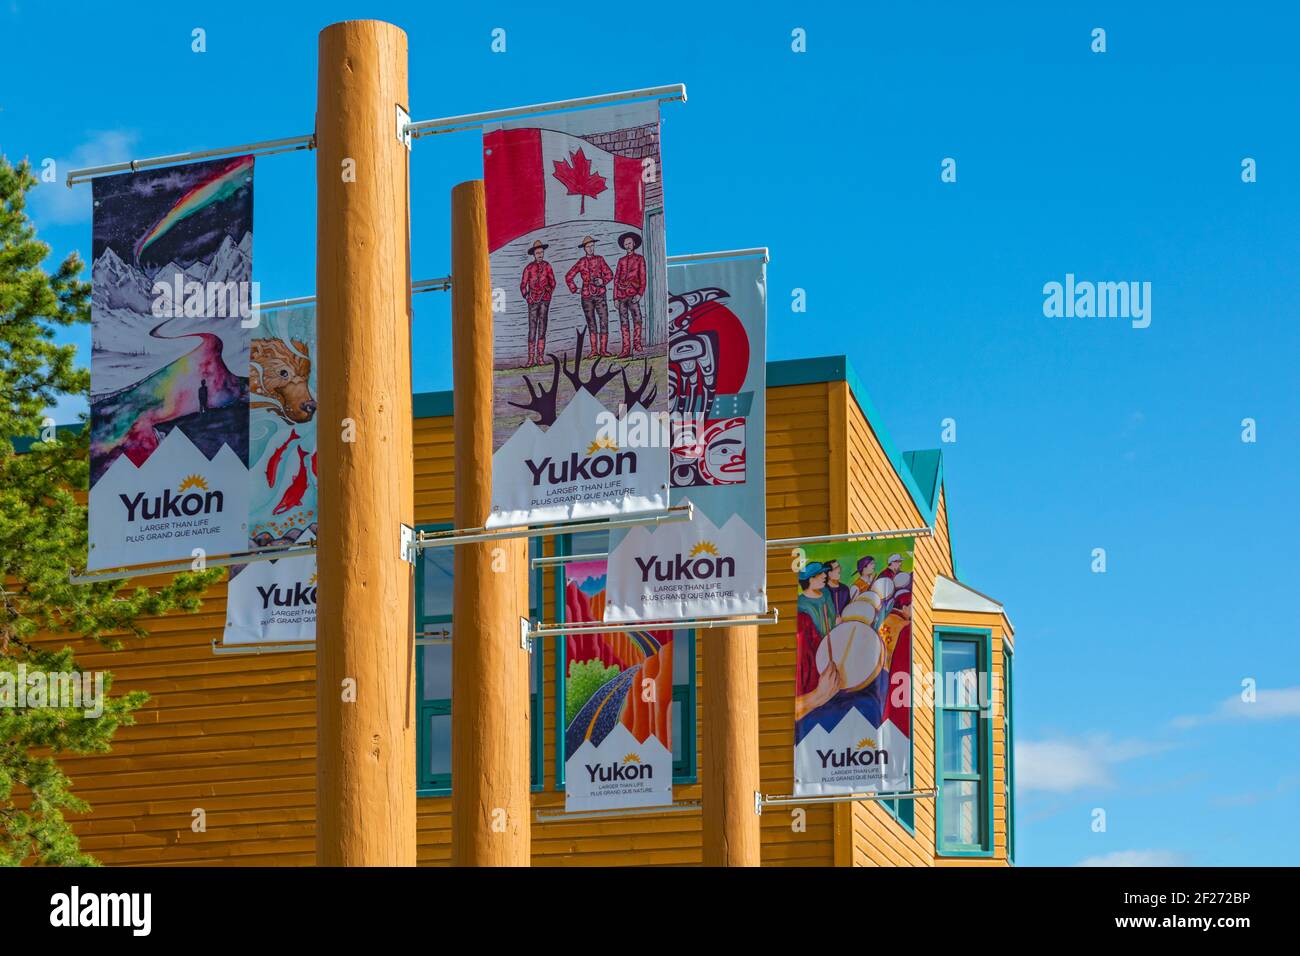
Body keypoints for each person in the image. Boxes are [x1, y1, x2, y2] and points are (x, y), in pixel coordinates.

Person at [794, 562, 841, 719]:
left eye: (824, 573)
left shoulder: (826, 594)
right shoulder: (802, 605)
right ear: (809, 579)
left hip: (832, 643)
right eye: (819, 574)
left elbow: (832, 616)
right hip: (815, 652)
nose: (824, 576)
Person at [565, 236, 614, 355]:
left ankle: (603, 350)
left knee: (604, 320)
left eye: (592, 246)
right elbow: (569, 276)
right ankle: (594, 350)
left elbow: (610, 274)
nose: (591, 249)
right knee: (591, 322)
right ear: (584, 248)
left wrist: (603, 281)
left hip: (600, 294)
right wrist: (575, 289)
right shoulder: (581, 262)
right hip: (586, 296)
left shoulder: (600, 259)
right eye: (588, 247)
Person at [520, 240, 556, 366]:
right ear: (534, 255)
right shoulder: (529, 268)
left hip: (544, 301)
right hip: (533, 301)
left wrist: (548, 293)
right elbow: (523, 285)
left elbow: (553, 282)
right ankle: (531, 359)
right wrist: (527, 296)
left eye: (541, 252)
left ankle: (540, 358)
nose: (540, 255)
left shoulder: (547, 266)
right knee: (532, 329)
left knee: (542, 328)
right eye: (538, 253)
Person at [613, 231, 646, 357]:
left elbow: (643, 278)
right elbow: (616, 279)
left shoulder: (639, 259)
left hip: (633, 295)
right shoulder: (621, 260)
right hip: (621, 296)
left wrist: (640, 293)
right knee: (624, 321)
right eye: (626, 244)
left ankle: (637, 345)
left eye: (630, 243)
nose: (628, 246)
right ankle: (626, 349)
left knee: (637, 319)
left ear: (634, 244)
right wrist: (615, 297)